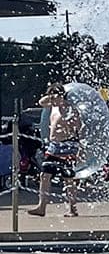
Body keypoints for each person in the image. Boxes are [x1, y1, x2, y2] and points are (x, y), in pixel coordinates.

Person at [28, 83, 82, 217]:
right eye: (51, 97)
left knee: (68, 178)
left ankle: (72, 208)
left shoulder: (69, 108)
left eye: (55, 97)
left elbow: (79, 126)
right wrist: (52, 96)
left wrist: (79, 147)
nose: (52, 100)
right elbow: (41, 102)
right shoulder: (53, 106)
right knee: (44, 176)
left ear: (62, 96)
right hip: (54, 146)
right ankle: (42, 207)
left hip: (67, 146)